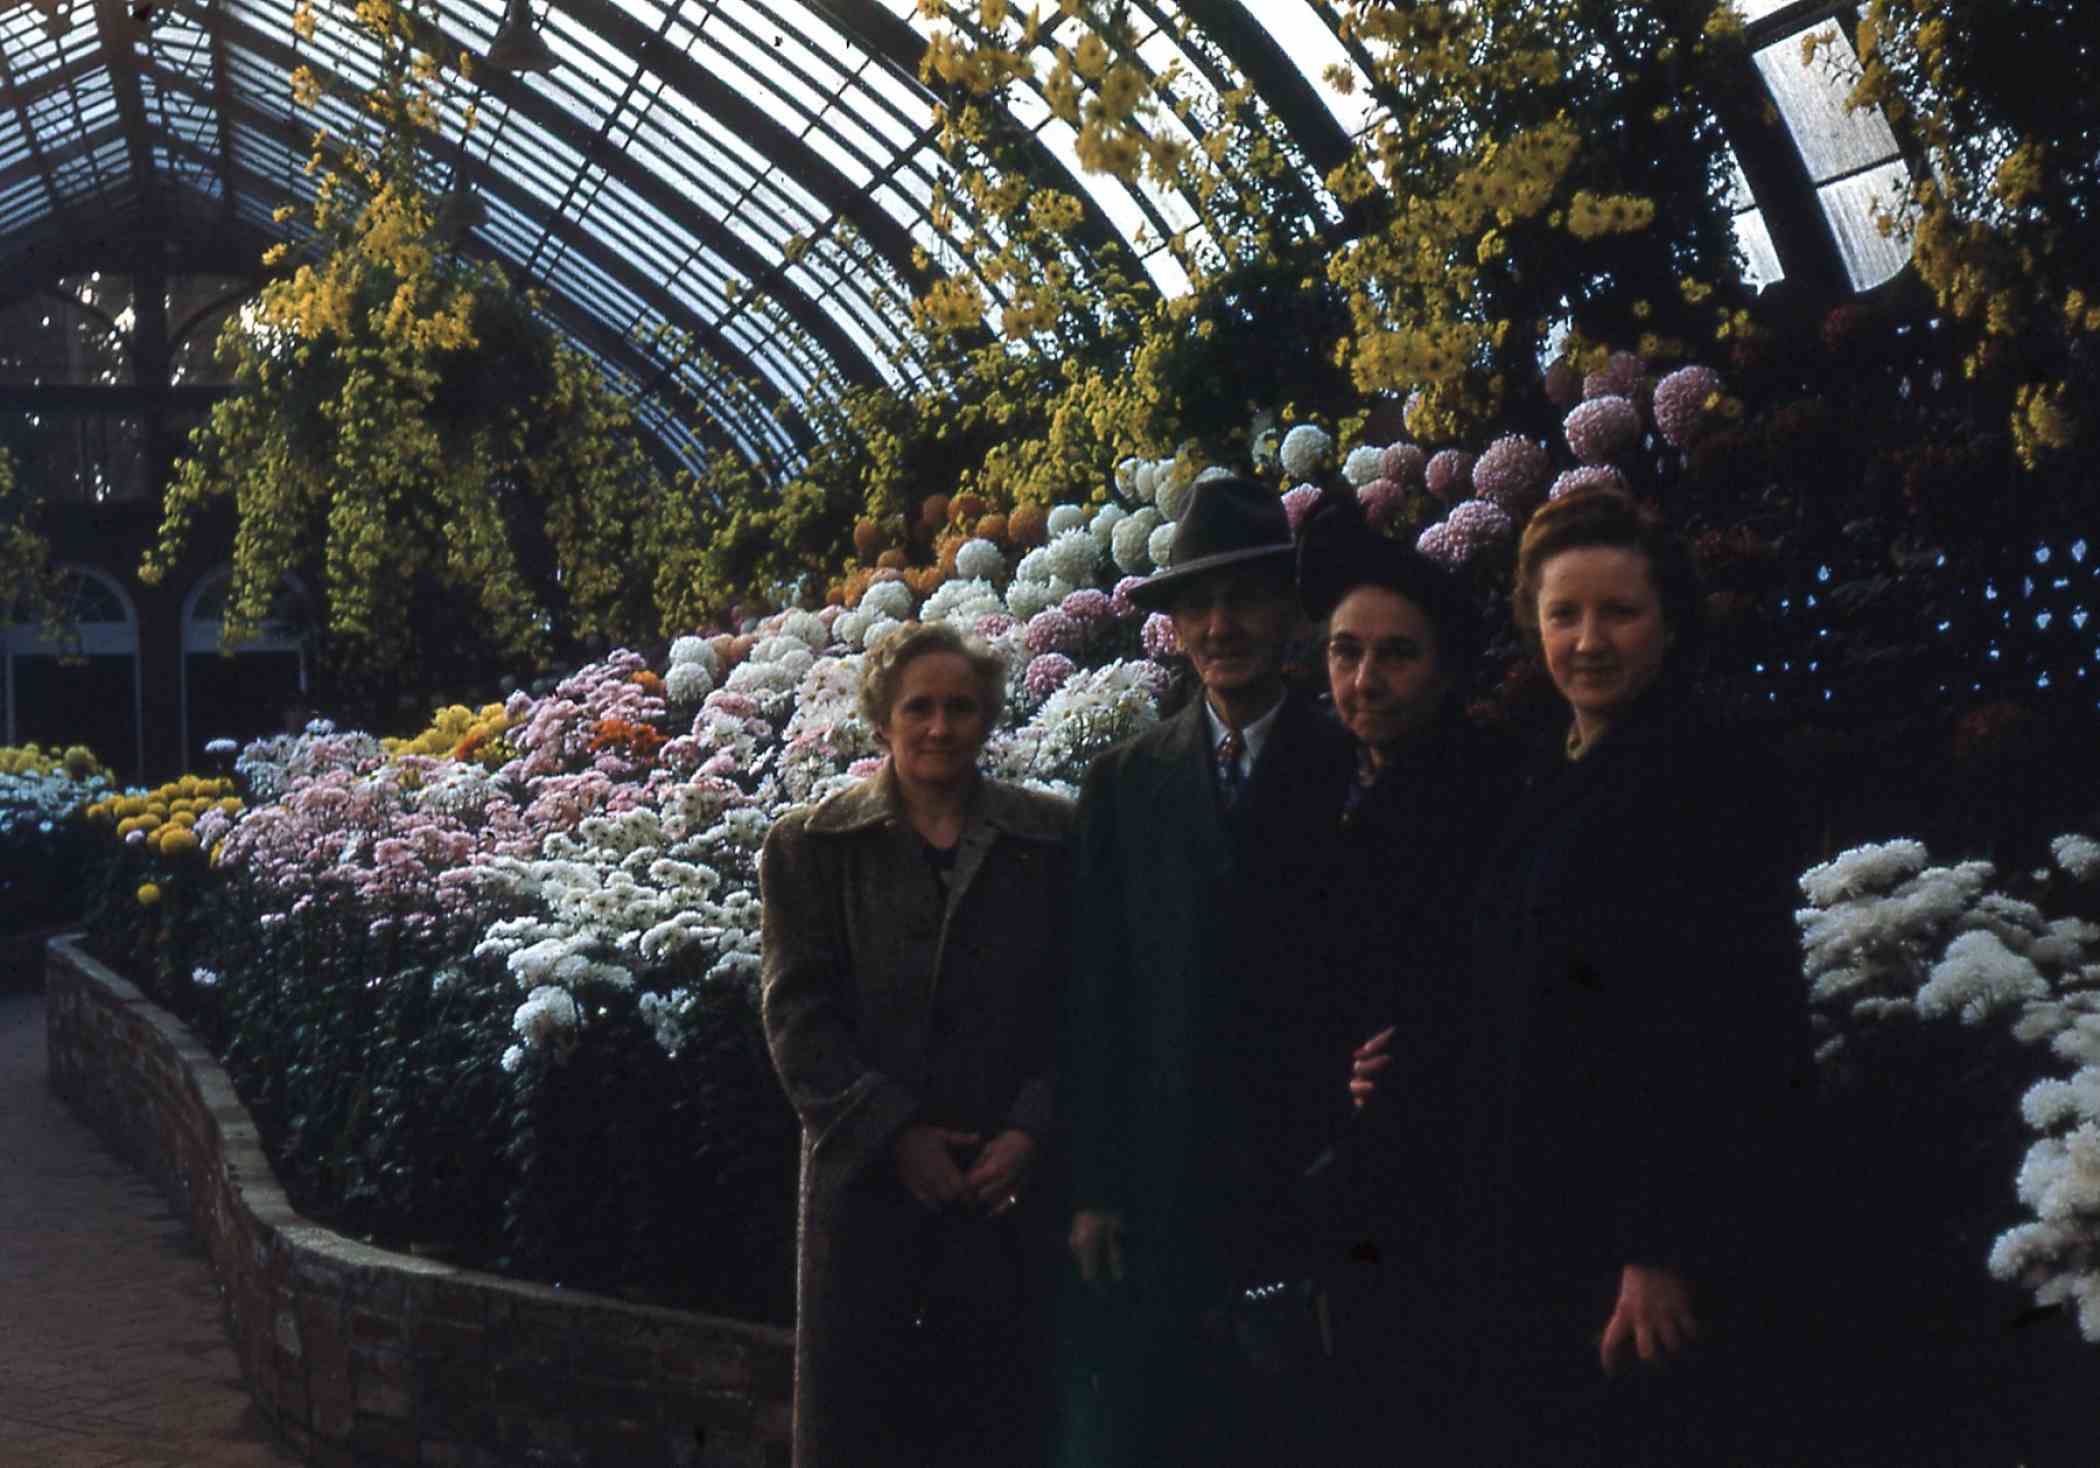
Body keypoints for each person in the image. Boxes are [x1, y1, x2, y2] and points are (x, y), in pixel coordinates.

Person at [1436, 485, 1811, 1464]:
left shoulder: (1704, 773)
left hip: (1632, 1237)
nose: (1589, 640)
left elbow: (1723, 1024)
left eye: (1619, 612)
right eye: (1565, 613)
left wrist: (1660, 1246)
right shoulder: (1557, 764)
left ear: (1669, 621)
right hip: (1538, 1208)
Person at [1057, 474, 1351, 1467]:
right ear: (1174, 627)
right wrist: (1094, 1186)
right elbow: (1094, 994)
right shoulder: (1125, 783)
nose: (1222, 624)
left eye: (1245, 599)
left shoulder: (1351, 761)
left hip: (1309, 1172)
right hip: (1160, 1179)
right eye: (1198, 605)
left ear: (1287, 613)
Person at [759, 622, 1073, 1468]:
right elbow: (797, 1018)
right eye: (920, 708)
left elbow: (1085, 1005)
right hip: (868, 1197)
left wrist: (1031, 1130)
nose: (941, 727)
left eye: (962, 708)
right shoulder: (812, 847)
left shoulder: (1052, 842)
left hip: (1007, 1198)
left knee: (1000, 1425)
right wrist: (894, 1134)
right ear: (882, 720)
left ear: (989, 717)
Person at [1284, 487, 1518, 1457]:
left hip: (1456, 1172)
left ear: (1445, 669)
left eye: (1396, 653)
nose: (1365, 678)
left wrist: (1420, 1054)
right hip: (1357, 1166)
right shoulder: (1327, 784)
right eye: (1346, 651)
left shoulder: (1489, 792)